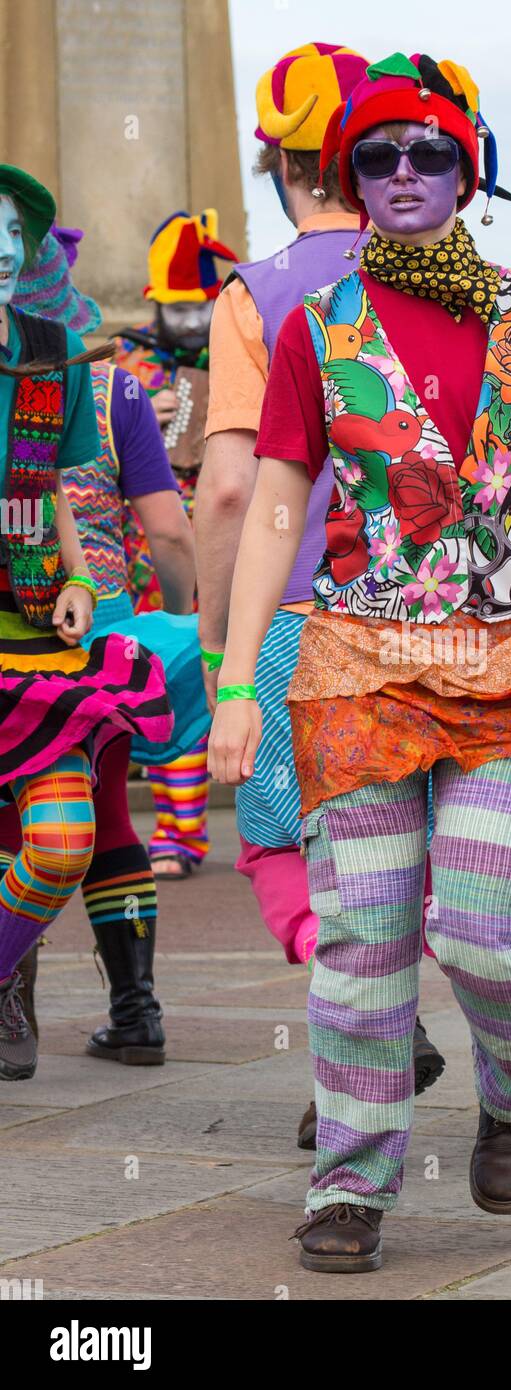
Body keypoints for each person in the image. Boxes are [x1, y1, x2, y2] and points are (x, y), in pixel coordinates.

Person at [208, 51, 511, 1273]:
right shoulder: (311, 331)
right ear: (347, 172)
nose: (399, 174)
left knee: (484, 922)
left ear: (465, 173)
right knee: (362, 935)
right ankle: (351, 1181)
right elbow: (272, 506)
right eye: (373, 156)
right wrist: (235, 684)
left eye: (427, 154)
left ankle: (509, 1089)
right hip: (351, 665)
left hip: (498, 661)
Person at [0, 221, 198, 1060]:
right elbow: (171, 533)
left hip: (55, 636)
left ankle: (14, 1022)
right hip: (105, 642)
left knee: (28, 833)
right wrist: (189, 624)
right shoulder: (120, 388)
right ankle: (137, 1010)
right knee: (109, 816)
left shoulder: (86, 379)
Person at [116, 210, 238, 880]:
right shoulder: (123, 362)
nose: (191, 322)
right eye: (179, 308)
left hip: (220, 550)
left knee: (192, 688)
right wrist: (138, 414)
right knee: (137, 688)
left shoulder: (243, 352)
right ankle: (105, 834)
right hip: (138, 556)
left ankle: (180, 834)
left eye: (201, 307)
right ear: (155, 301)